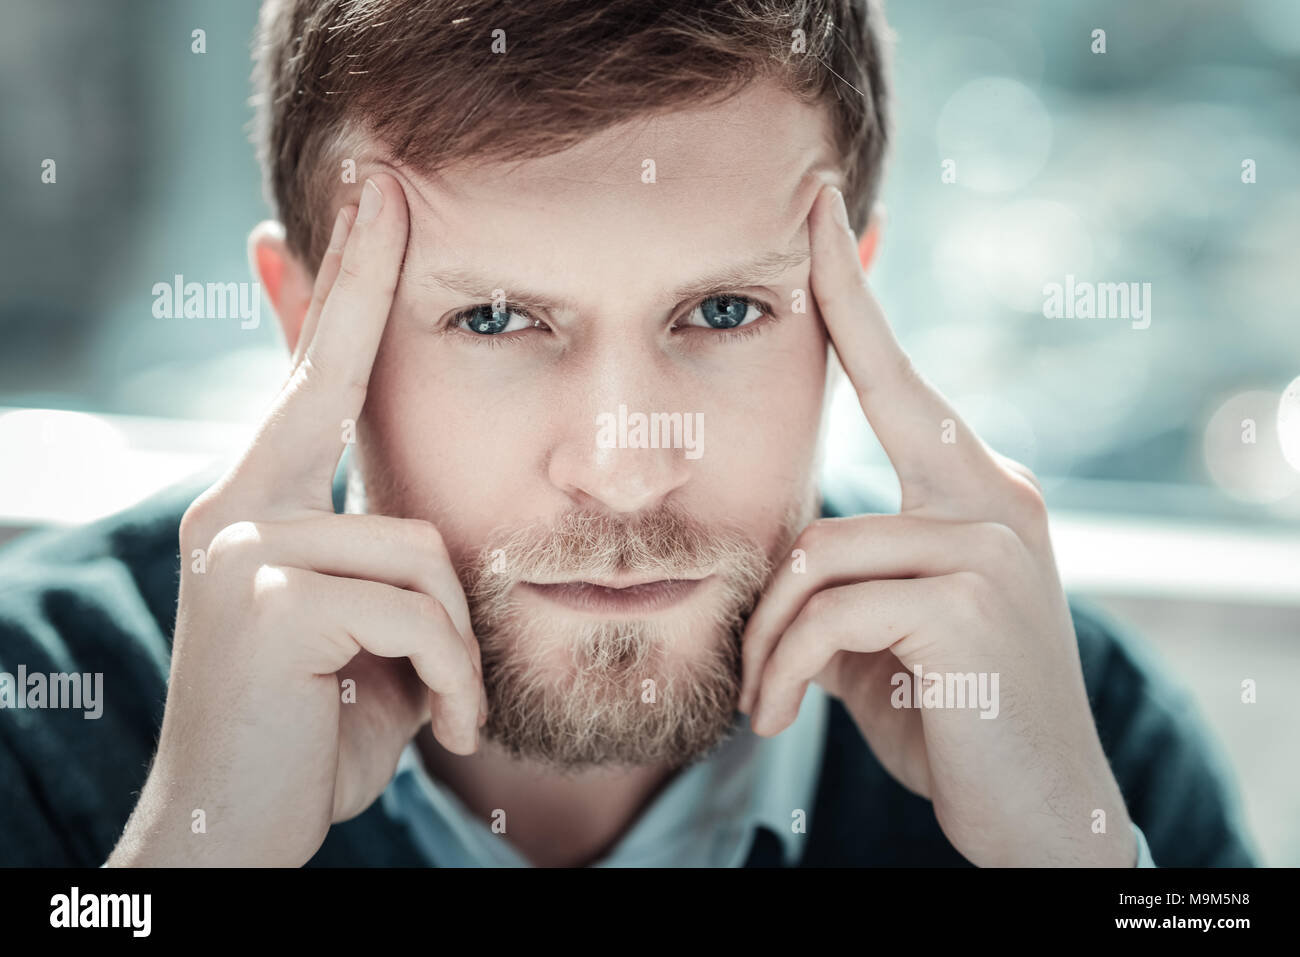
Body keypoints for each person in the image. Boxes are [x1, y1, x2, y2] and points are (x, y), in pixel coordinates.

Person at [0, 0, 1256, 868]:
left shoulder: (1068, 722)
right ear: (301, 332)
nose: (620, 465)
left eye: (723, 311)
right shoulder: (40, 705)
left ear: (846, 315)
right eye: (493, 319)